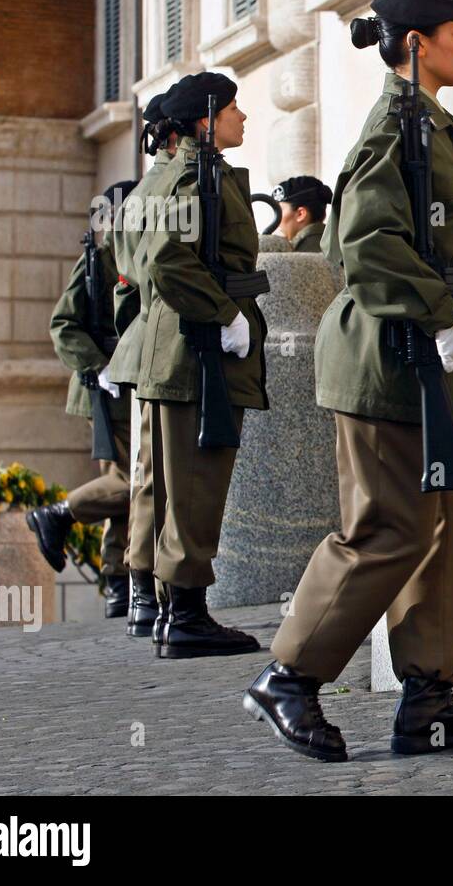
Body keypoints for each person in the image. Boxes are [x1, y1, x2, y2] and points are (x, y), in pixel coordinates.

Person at [243, 0, 453, 762]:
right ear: (418, 44)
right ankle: (289, 676)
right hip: (385, 356)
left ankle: (427, 700)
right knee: (387, 529)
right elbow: (360, 248)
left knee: (440, 525)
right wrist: (443, 313)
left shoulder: (425, 125)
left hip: (418, 355)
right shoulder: (394, 129)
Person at [135, 71, 269, 659]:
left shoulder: (197, 172)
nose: (244, 119)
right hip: (195, 351)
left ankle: (177, 613)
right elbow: (169, 259)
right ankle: (185, 617)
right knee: (196, 486)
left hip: (186, 347)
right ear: (205, 120)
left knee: (185, 485)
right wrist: (223, 316)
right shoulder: (195, 174)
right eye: (235, 109)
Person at [27, 179, 139, 618]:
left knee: (123, 490)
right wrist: (99, 366)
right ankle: (57, 514)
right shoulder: (101, 258)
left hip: (125, 382)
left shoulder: (129, 252)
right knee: (133, 483)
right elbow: (63, 324)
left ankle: (117, 581)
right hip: (105, 386)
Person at [109, 89, 179, 641]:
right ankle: (146, 591)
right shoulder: (165, 187)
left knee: (148, 474)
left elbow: (124, 285)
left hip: (141, 336)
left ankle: (143, 594)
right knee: (157, 476)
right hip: (163, 337)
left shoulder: (136, 194)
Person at [271, 176, 333, 253]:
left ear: (300, 214)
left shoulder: (294, 254)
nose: (275, 219)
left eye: (279, 211)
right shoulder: (333, 244)